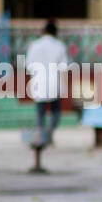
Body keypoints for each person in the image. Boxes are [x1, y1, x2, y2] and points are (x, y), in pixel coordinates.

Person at [25, 19, 67, 173]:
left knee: (40, 115)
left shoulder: (35, 45)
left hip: (38, 83)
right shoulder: (59, 46)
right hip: (54, 83)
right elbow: (64, 67)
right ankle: (49, 133)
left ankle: (41, 136)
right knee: (56, 113)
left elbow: (29, 65)